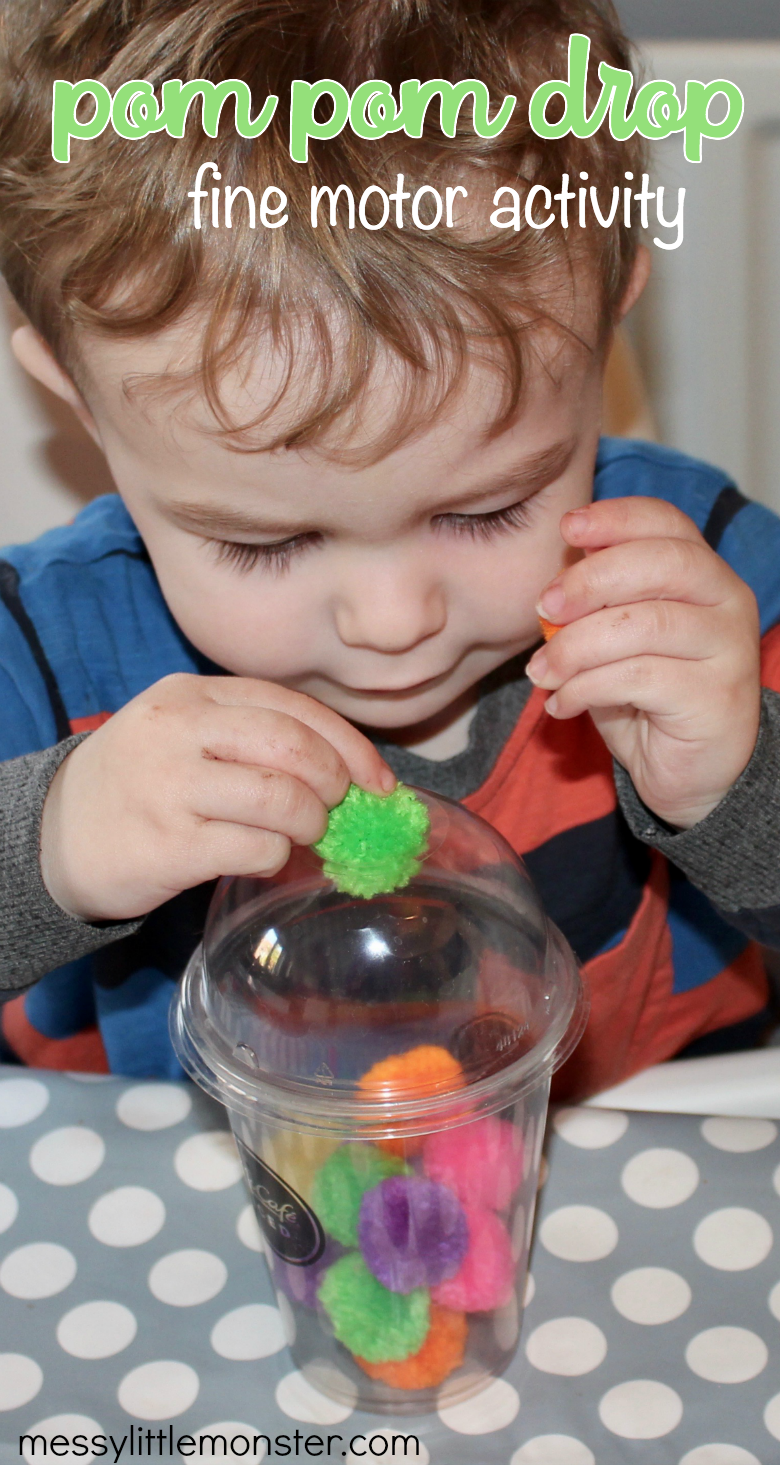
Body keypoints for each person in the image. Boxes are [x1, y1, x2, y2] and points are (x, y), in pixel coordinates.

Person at [0, 0, 778, 1094]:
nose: (394, 620)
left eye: (486, 511)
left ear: (609, 320)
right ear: (77, 396)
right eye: (265, 542)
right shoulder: (38, 659)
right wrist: (48, 850)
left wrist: (742, 785)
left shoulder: (705, 590)